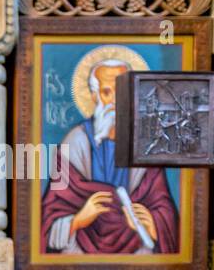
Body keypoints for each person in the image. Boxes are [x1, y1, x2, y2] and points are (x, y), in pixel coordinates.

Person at [42, 59, 178, 255]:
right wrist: (78, 220)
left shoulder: (146, 144)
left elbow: (162, 205)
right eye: (107, 92)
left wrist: (152, 223)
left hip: (138, 249)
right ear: (94, 96)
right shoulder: (74, 143)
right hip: (79, 250)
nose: (115, 100)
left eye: (122, 91)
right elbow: (51, 214)